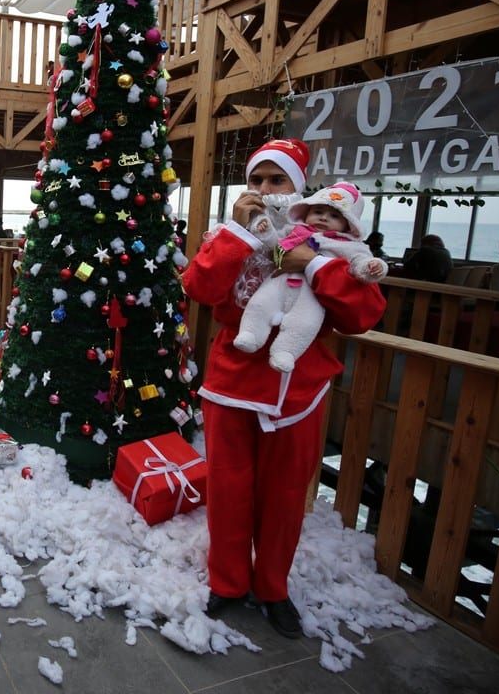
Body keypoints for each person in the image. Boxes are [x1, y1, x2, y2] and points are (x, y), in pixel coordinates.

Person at [182, 138, 385, 640]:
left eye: (277, 180)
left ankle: (273, 589)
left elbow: (362, 314)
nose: (265, 190)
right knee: (229, 489)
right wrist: (237, 234)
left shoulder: (328, 241)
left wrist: (311, 263)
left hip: (298, 389)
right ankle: (227, 582)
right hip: (231, 380)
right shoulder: (227, 235)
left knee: (284, 496)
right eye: (256, 180)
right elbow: (199, 288)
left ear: (298, 188)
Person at [234, 181, 387, 372]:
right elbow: (275, 248)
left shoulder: (348, 245)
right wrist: (266, 232)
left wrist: (371, 267)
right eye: (318, 212)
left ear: (348, 224)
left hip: (310, 295)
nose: (323, 218)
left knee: (305, 322)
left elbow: (360, 261)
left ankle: (285, 352)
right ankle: (250, 334)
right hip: (278, 282)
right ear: (306, 212)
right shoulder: (293, 231)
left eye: (333, 215)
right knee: (260, 303)